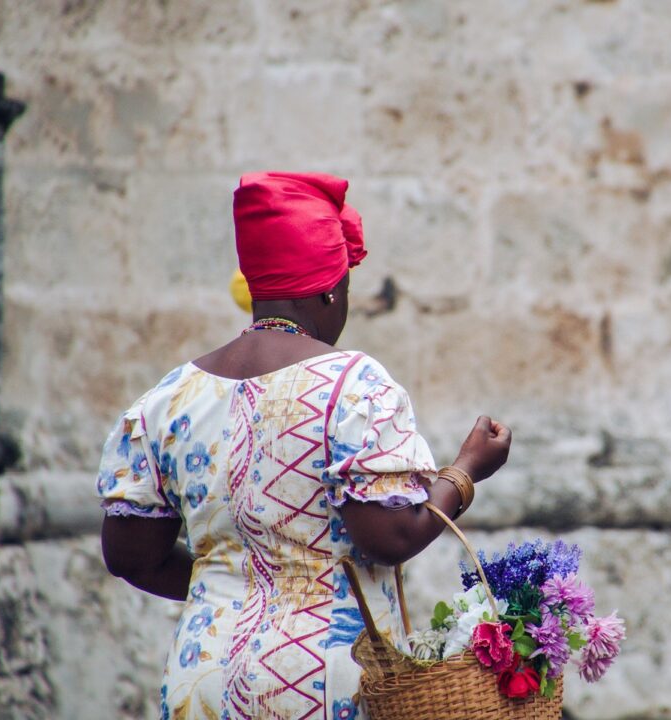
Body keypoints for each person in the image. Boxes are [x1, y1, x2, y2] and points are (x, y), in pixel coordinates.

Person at [96, 171, 512, 720]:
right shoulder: (353, 385)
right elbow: (392, 536)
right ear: (328, 289)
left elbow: (131, 556)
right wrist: (465, 471)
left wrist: (239, 586)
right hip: (321, 682)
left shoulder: (168, 399)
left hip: (202, 676)